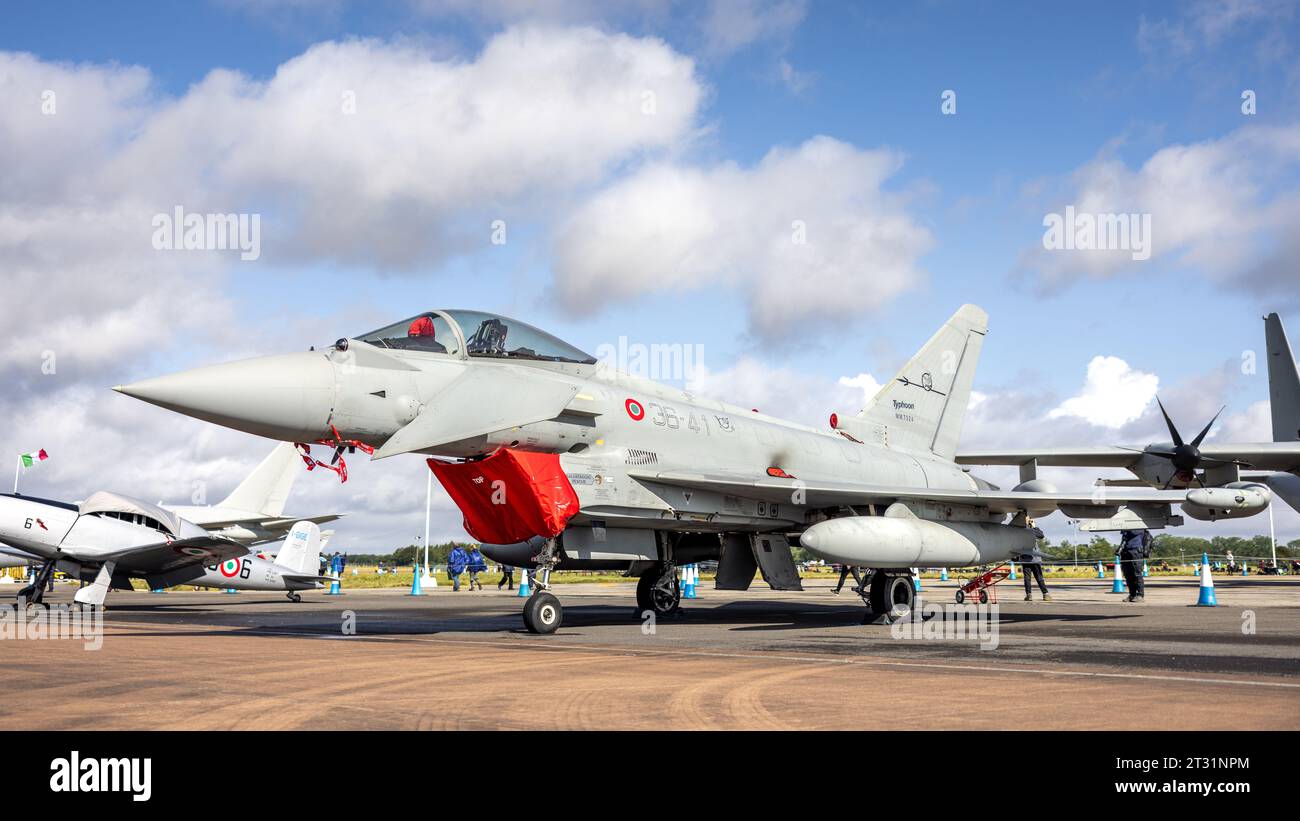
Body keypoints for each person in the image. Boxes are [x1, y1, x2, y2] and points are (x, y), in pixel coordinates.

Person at [1118, 529, 1152, 603]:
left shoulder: (1138, 525)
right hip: (1126, 551)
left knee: (1137, 574)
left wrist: (1126, 528)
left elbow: (1134, 532)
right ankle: (1132, 594)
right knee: (1128, 575)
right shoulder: (1126, 527)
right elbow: (1124, 537)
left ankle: (1140, 595)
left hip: (1136, 550)